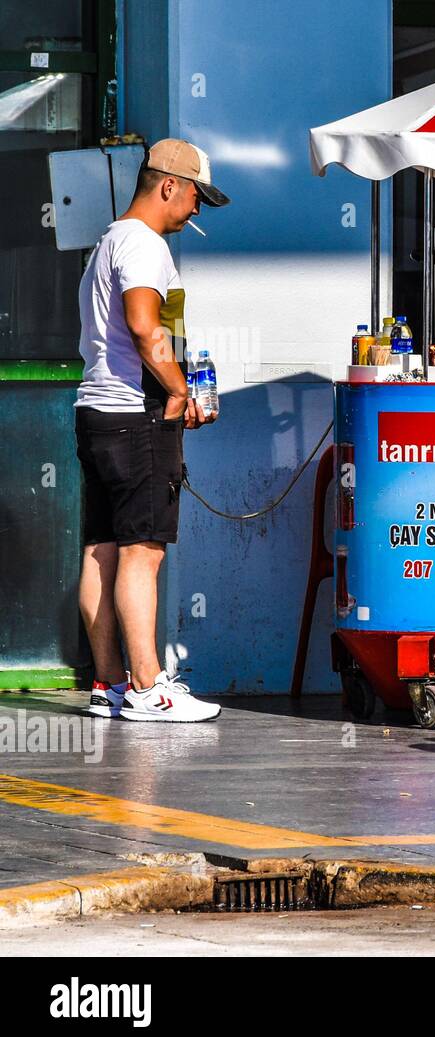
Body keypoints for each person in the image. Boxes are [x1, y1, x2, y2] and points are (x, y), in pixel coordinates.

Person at [76, 139, 228, 723]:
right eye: (195, 197)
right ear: (168, 185)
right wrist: (180, 391)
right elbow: (145, 328)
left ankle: (108, 683)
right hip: (136, 419)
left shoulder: (108, 241)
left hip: (97, 412)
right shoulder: (143, 245)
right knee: (144, 554)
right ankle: (147, 688)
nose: (195, 212)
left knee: (102, 551)